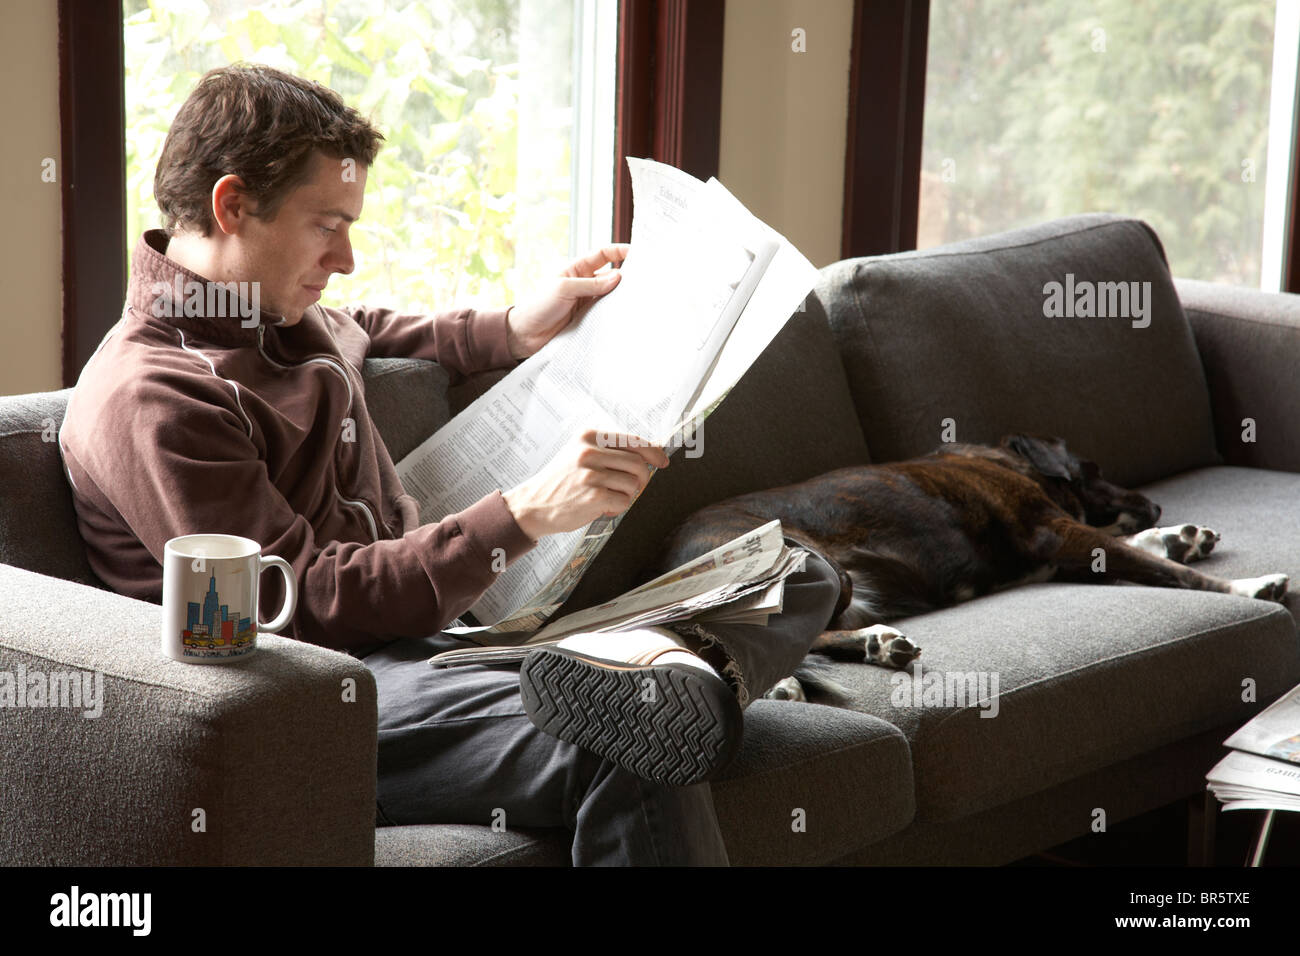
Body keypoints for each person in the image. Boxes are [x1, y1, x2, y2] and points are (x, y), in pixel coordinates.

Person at [59, 63, 841, 866]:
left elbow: (368, 327)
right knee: (632, 738)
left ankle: (670, 672)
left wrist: (513, 328)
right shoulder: (154, 396)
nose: (346, 257)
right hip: (322, 689)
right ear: (231, 206)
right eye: (327, 225)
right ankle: (669, 681)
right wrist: (524, 514)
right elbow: (300, 603)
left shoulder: (272, 312)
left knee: (795, 576)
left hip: (435, 643)